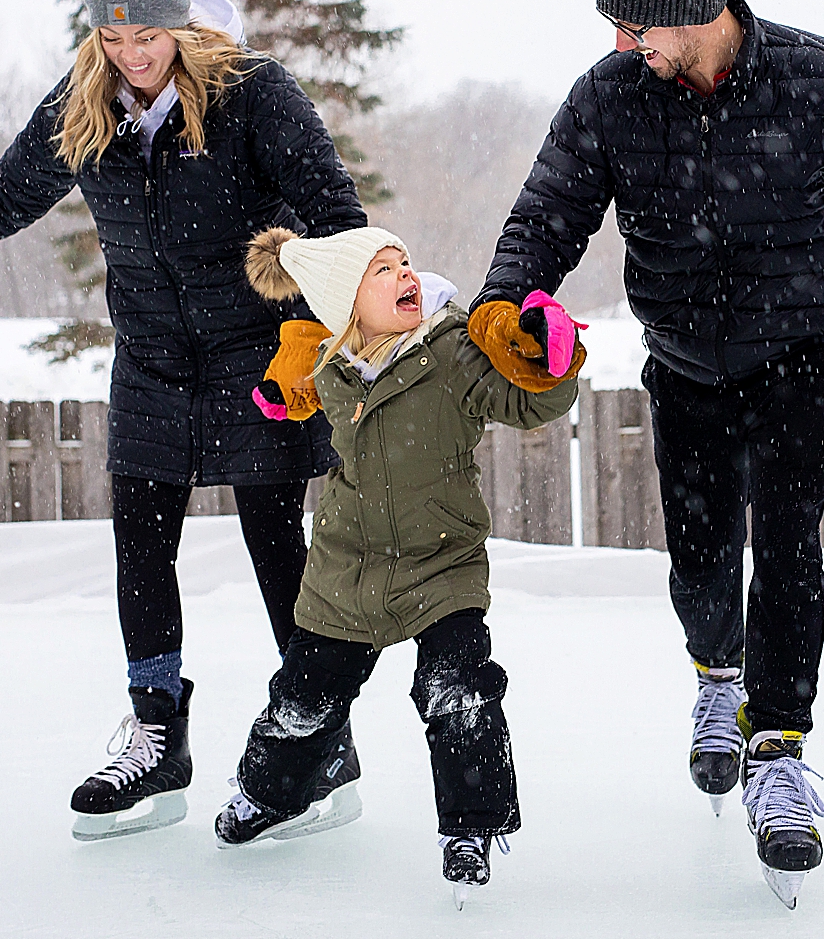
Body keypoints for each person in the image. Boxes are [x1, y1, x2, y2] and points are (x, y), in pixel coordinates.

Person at [474, 0, 824, 906]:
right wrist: (505, 303)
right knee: (702, 563)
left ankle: (780, 750)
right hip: (689, 366)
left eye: (636, 22)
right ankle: (717, 675)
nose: (622, 41)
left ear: (697, 5)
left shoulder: (820, 83)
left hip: (804, 355)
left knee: (789, 538)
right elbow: (547, 217)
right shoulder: (611, 96)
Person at [0, 0, 369, 842]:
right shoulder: (85, 106)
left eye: (145, 36)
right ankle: (158, 741)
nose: (130, 55)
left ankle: (318, 740)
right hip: (153, 364)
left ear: (177, 25)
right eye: (112, 39)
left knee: (276, 547)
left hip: (255, 361)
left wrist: (308, 337)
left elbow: (337, 217)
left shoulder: (251, 96)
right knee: (139, 545)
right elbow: (4, 199)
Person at [217, 225, 583, 907]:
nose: (405, 274)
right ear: (347, 305)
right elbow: (299, 379)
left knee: (461, 690)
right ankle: (265, 793)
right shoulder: (333, 368)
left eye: (405, 261)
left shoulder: (450, 352)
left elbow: (527, 399)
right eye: (381, 270)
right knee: (302, 700)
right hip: (346, 569)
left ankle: (470, 828)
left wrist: (552, 357)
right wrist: (285, 393)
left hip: (442, 566)